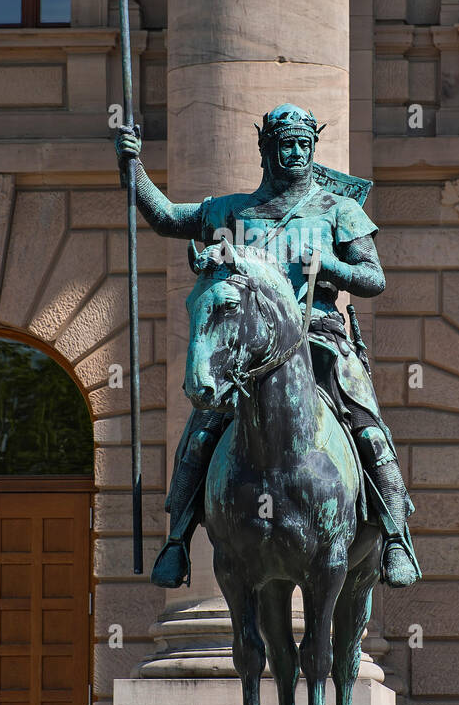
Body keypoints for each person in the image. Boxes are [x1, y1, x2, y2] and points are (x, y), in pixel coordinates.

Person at [116, 103, 421, 590]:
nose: (296, 152)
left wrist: (332, 266)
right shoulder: (229, 211)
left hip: (319, 336)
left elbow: (373, 279)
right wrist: (132, 169)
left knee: (367, 425)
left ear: (314, 147)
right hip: (247, 350)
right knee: (201, 431)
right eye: (285, 144)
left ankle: (396, 534)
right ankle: (176, 538)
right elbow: (169, 218)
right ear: (266, 150)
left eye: (304, 143)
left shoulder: (338, 209)